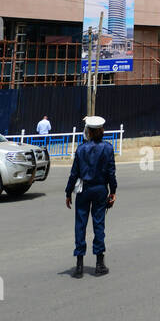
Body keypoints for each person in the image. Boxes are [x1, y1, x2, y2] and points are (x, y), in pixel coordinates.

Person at [65, 115, 117, 277]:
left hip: (83, 191)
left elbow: (74, 174)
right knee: (98, 224)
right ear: (101, 130)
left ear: (88, 131)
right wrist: (113, 191)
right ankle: (99, 264)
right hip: (101, 189)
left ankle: (79, 266)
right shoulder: (108, 148)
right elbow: (111, 173)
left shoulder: (81, 149)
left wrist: (68, 193)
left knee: (80, 225)